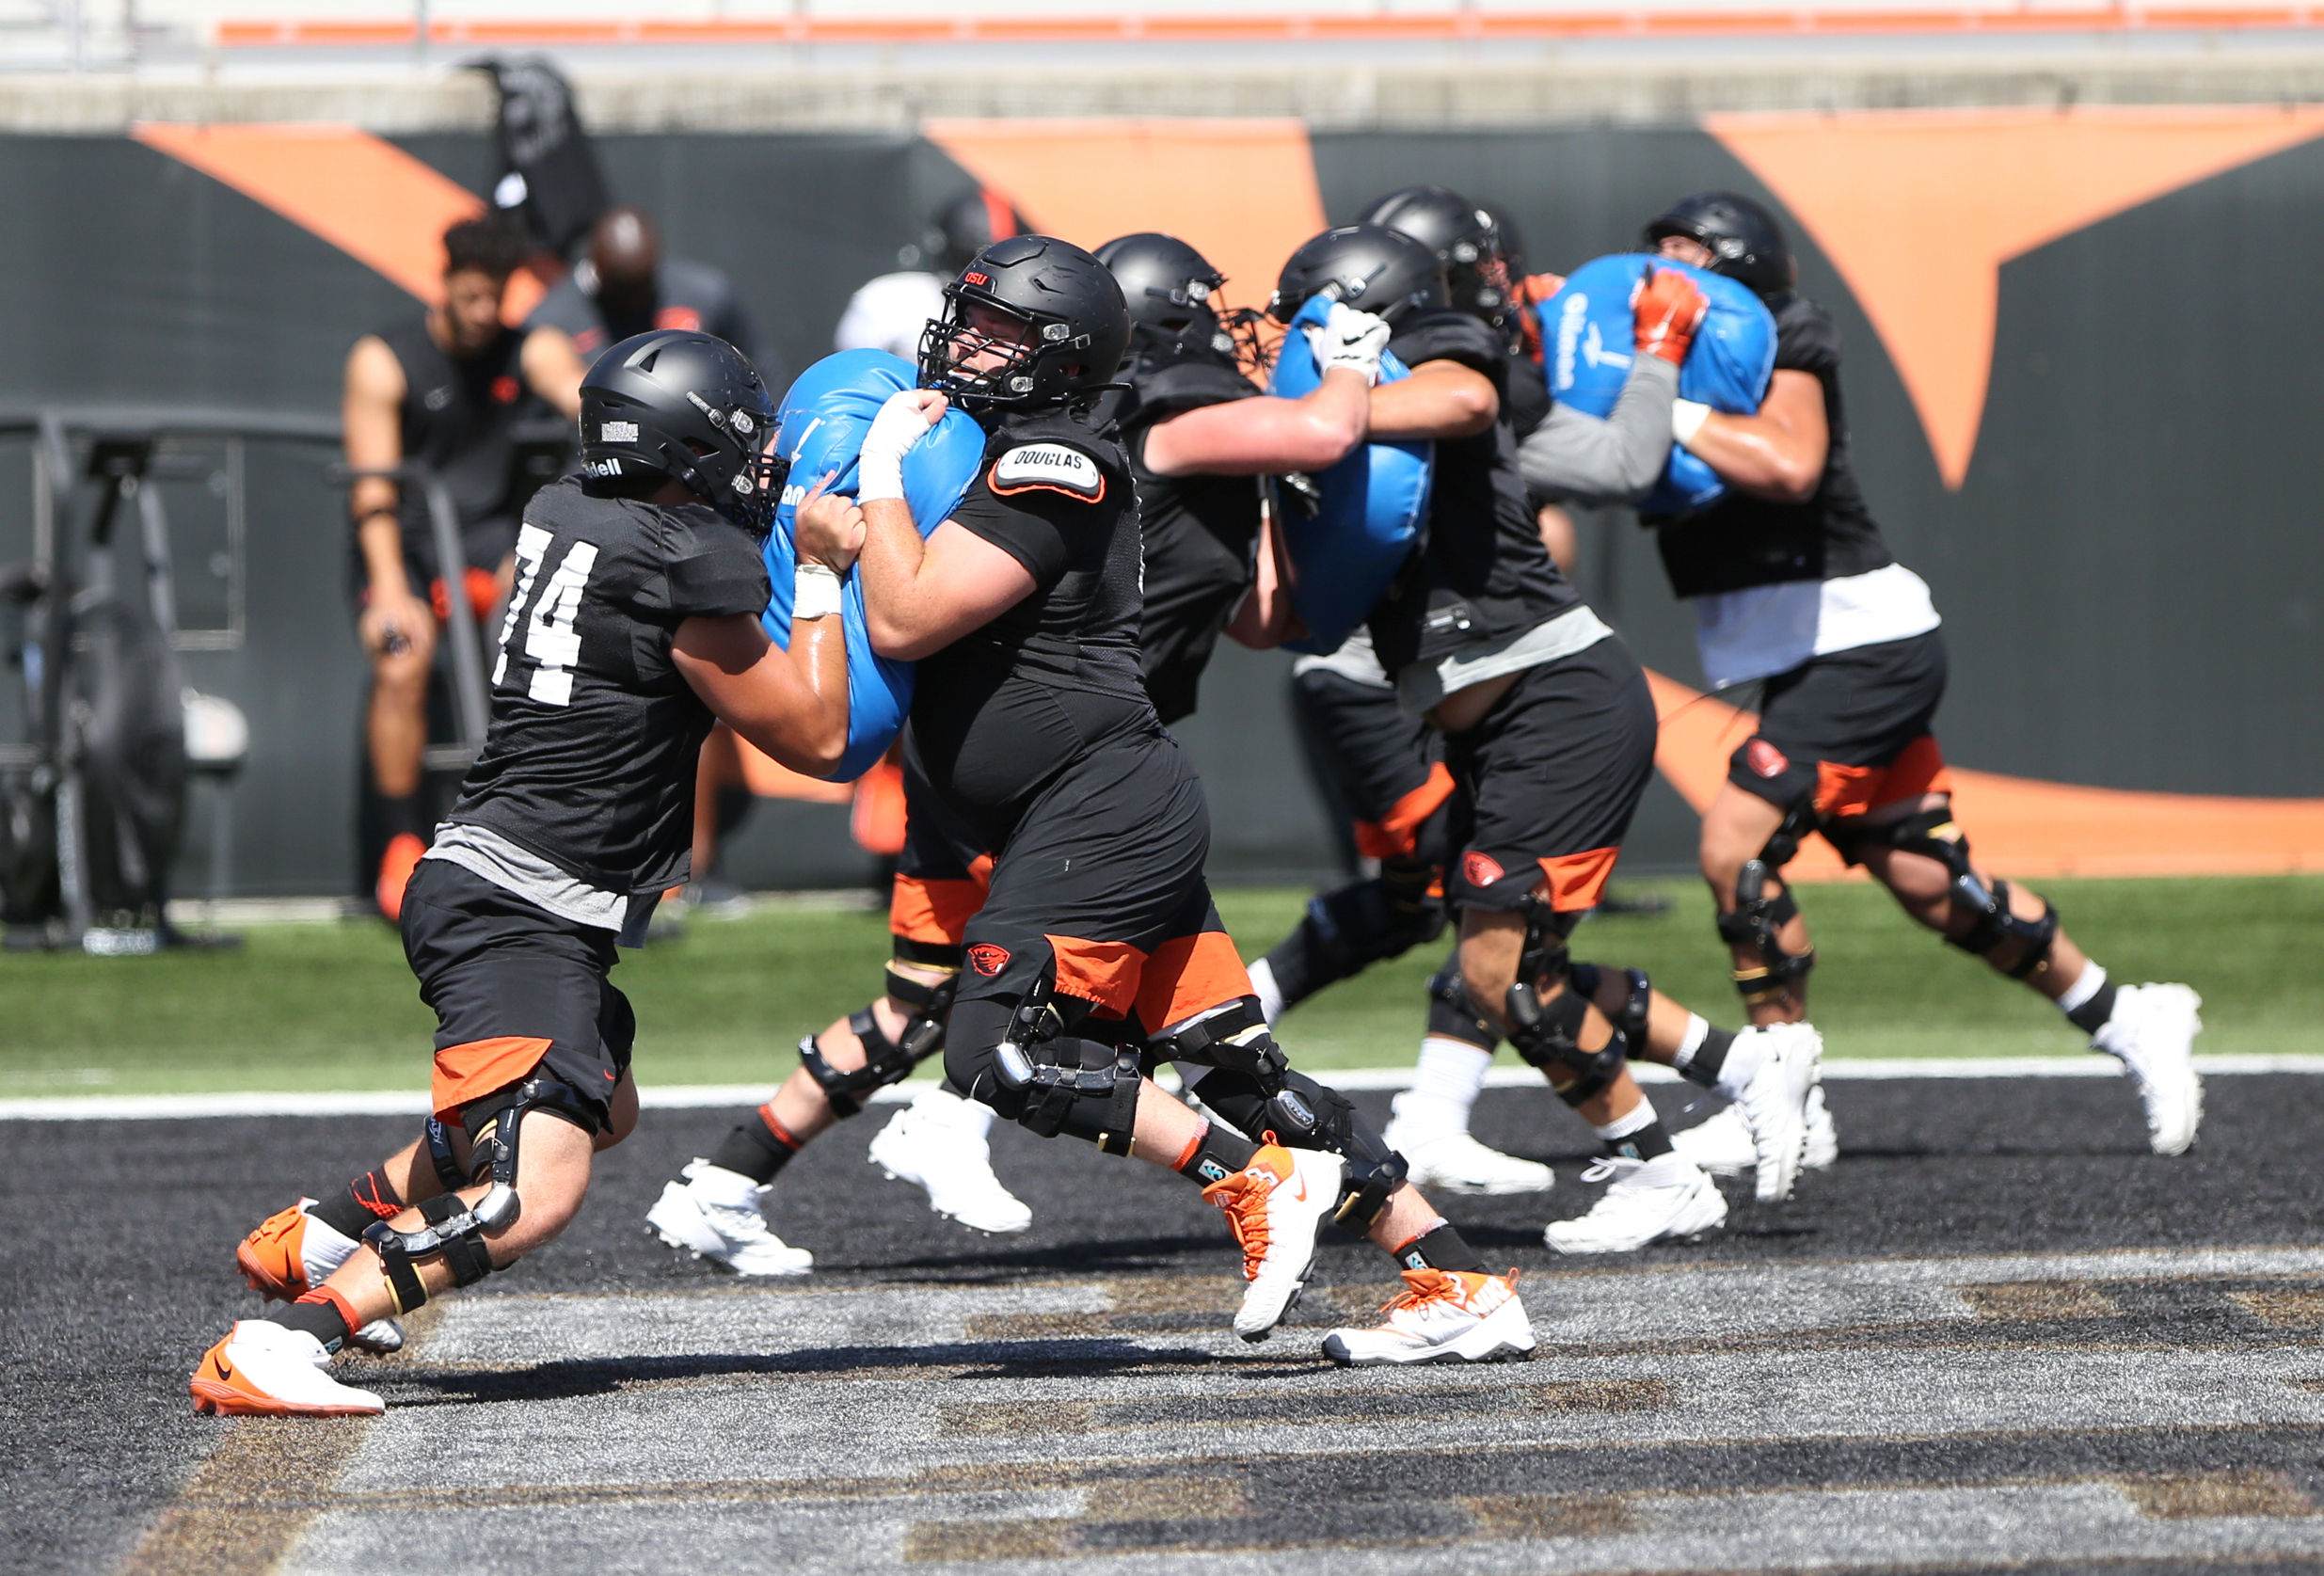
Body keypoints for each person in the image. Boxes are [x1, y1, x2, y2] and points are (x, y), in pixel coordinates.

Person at [843, 233, 1531, 1363]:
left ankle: (1253, 1188)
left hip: (1092, 806)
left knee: (993, 1053)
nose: (965, 339)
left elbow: (906, 619)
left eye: (998, 329)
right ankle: (1453, 1276)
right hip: (1097, 804)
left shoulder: (1054, 461)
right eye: (968, 316)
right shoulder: (1025, 446)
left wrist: (872, 487)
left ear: (1060, 358)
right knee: (1236, 1066)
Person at [197, 330, 864, 1415]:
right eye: (742, 448)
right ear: (688, 448)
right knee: (532, 1190)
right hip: (518, 908)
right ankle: (285, 1340)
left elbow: (665, 572)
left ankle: (320, 1235)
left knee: (603, 1107)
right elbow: (820, 735)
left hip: (497, 878)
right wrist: (831, 570)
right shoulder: (682, 563)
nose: (759, 470)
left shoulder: (565, 510)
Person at [1262, 219, 1823, 1257]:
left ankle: (1657, 1172)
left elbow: (1471, 398)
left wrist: (1322, 416)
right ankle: (1745, 1065)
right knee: (1535, 965)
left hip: (1555, 700)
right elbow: (1272, 614)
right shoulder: (1326, 425)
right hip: (1497, 718)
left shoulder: (1450, 352)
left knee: (1498, 976)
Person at [1627, 192, 2205, 1170]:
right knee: (1932, 882)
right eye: (1657, 256)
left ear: (1742, 267)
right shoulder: (1643, 361)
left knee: (1735, 844)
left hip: (1862, 645)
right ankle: (2127, 1012)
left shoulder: (1780, 332)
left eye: (1690, 256)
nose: (1666, 279)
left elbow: (1790, 463)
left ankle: (1786, 1090)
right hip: (1810, 654)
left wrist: (1657, 403)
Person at [345, 213, 586, 921]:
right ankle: (398, 849)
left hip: (491, 546)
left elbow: (582, 396)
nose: (483, 313)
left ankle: (550, 844)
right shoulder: (383, 360)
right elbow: (372, 490)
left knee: (566, 636)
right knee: (401, 658)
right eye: (470, 296)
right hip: (406, 547)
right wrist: (390, 588)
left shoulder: (531, 348)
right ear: (445, 283)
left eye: (495, 298)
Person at [527, 206, 776, 385]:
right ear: (597, 272)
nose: (635, 301)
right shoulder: (552, 320)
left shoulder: (708, 294)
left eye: (642, 286)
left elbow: (761, 371)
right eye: (623, 289)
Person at [833, 187, 1029, 361]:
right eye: (969, 262)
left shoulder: (1027, 309)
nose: (982, 274)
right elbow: (850, 377)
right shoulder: (886, 300)